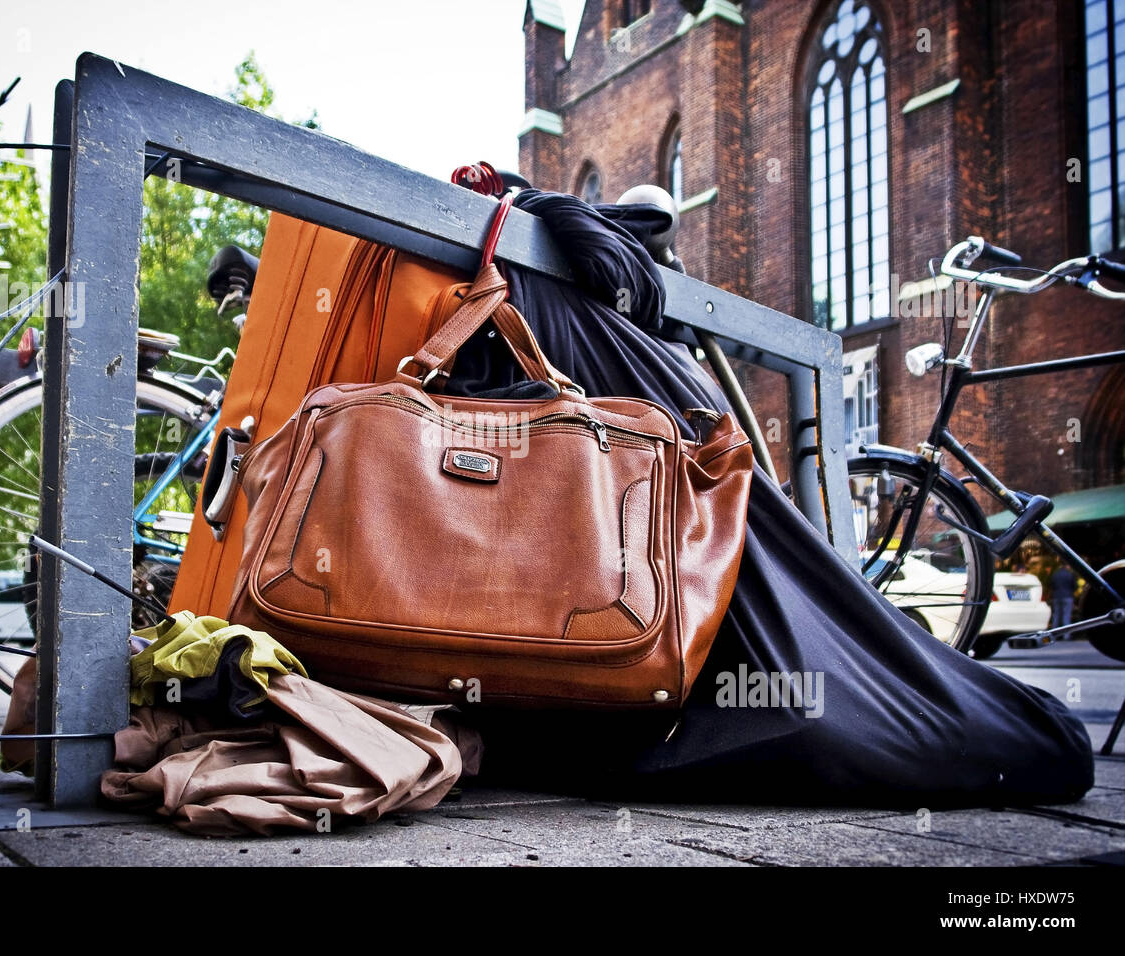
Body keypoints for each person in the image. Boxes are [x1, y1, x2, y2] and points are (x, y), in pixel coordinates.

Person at [450, 188, 1094, 807]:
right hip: (664, 446)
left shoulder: (552, 314)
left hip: (629, 635)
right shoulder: (631, 341)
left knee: (808, 700)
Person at [1049, 562, 1077, 634]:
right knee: (1066, 615)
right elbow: (1074, 586)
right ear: (1067, 566)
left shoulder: (1055, 575)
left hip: (1057, 596)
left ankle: (1054, 633)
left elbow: (1052, 585)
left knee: (1056, 615)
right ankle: (1066, 635)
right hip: (1067, 596)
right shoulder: (1070, 575)